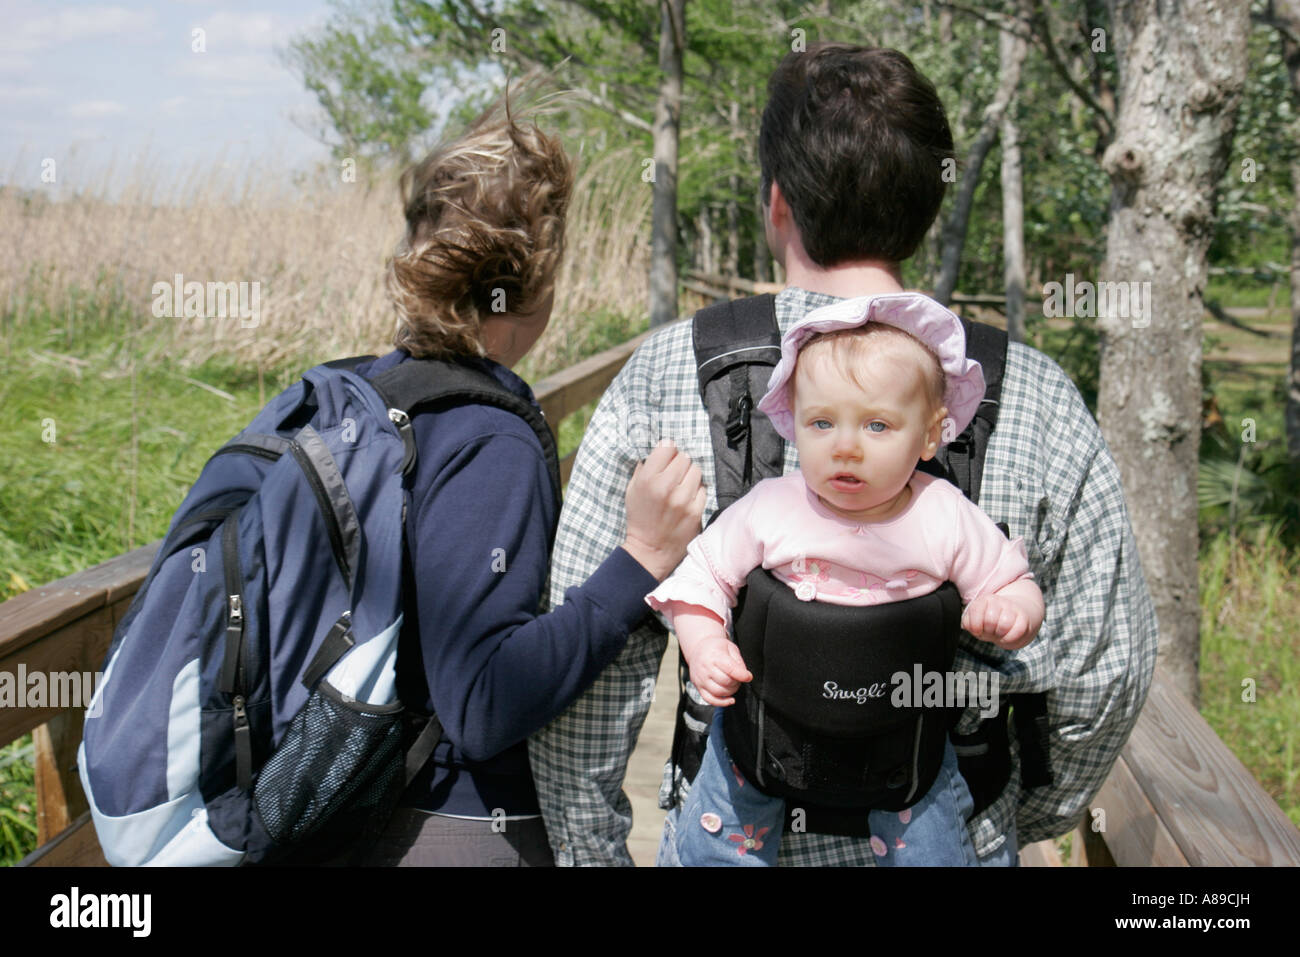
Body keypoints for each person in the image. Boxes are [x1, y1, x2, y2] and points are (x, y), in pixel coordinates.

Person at [527, 42, 1158, 867]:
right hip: (945, 835)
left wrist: (593, 853)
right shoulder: (1030, 390)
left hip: (729, 836)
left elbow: (588, 657)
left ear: (778, 203)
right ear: (926, 208)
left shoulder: (673, 368)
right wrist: (1009, 810)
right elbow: (1109, 668)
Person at [352, 90, 706, 866]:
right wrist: (639, 562)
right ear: (537, 278)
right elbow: (481, 702)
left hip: (350, 805)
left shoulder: (372, 388)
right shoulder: (489, 437)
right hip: (447, 824)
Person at [647, 295, 1045, 866]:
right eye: (822, 422)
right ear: (794, 422)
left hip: (901, 729)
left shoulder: (944, 514)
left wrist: (1012, 613)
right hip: (768, 720)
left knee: (930, 837)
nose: (846, 446)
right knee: (722, 827)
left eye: (878, 425)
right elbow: (700, 576)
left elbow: (1014, 580)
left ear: (932, 435)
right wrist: (704, 642)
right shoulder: (772, 507)